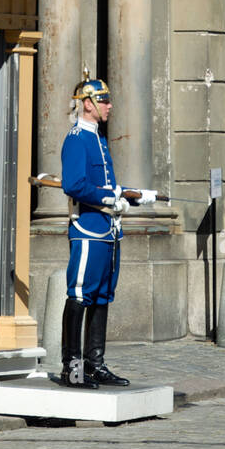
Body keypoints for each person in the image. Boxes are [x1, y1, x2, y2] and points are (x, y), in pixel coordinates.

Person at [59, 76, 156, 388]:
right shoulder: (77, 139)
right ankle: (72, 368)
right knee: (79, 295)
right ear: (88, 103)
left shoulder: (99, 139)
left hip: (108, 230)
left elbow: (106, 185)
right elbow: (74, 185)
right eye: (104, 101)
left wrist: (134, 194)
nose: (109, 106)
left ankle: (94, 364)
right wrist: (108, 198)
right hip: (88, 228)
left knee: (101, 296)